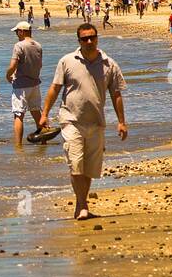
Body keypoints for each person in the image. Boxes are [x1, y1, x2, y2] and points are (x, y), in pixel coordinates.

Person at [38, 24, 127, 221]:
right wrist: (44, 114)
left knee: (88, 169)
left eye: (92, 37)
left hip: (96, 123)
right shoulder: (67, 61)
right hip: (71, 120)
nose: (89, 41)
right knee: (75, 165)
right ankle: (82, 205)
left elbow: (116, 94)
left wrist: (121, 122)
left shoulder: (109, 64)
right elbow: (54, 88)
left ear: (97, 38)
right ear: (78, 41)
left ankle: (81, 203)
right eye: (84, 38)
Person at [6, 21, 44, 145]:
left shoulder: (19, 45)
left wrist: (8, 75)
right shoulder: (38, 45)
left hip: (21, 85)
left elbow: (13, 65)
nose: (16, 34)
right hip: (35, 83)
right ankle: (44, 141)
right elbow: (40, 65)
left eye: (17, 32)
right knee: (36, 112)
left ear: (22, 31)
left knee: (18, 115)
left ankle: (18, 145)